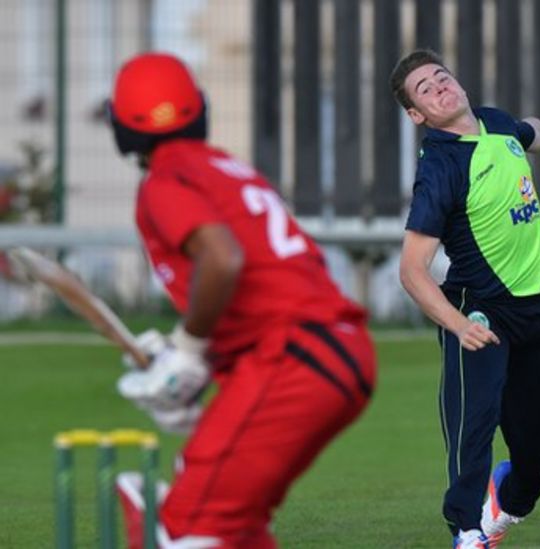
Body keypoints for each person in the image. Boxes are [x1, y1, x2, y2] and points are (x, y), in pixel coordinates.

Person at [108, 52, 376, 548]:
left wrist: (187, 350)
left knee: (184, 527)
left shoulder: (167, 180)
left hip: (293, 360)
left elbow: (223, 259)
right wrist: (195, 368)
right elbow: (267, 286)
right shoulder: (225, 169)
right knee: (236, 525)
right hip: (335, 352)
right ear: (201, 110)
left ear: (121, 129)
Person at [391, 49, 540, 549]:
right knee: (473, 426)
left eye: (441, 76)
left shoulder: (494, 122)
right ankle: (465, 528)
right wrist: (459, 326)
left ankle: (509, 502)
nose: (440, 86)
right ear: (417, 115)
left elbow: (531, 132)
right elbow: (412, 271)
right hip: (481, 309)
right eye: (425, 89)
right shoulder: (440, 169)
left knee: (539, 451)